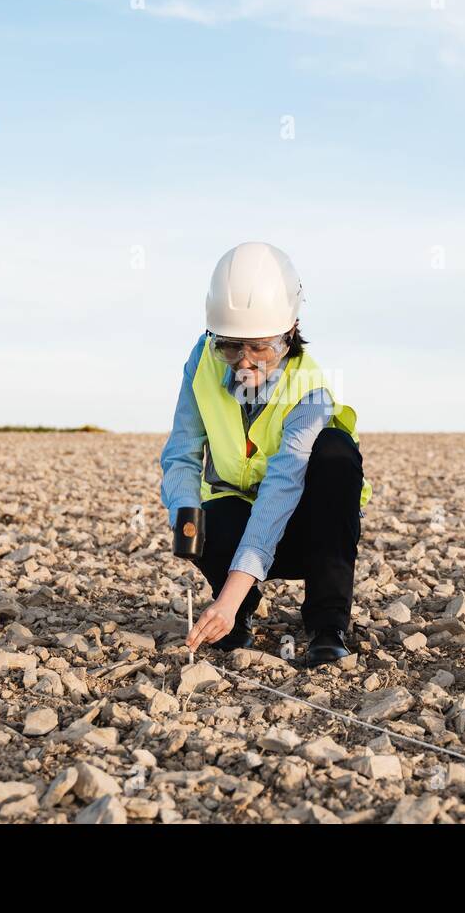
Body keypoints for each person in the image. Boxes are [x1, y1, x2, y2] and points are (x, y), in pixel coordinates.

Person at [159, 242, 371, 667]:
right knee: (200, 516)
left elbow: (281, 489)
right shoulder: (201, 360)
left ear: (290, 331)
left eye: (262, 348)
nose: (245, 363)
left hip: (309, 531)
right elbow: (181, 453)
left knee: (335, 453)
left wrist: (229, 592)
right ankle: (235, 617)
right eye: (231, 347)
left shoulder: (308, 389)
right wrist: (184, 513)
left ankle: (327, 626)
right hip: (238, 515)